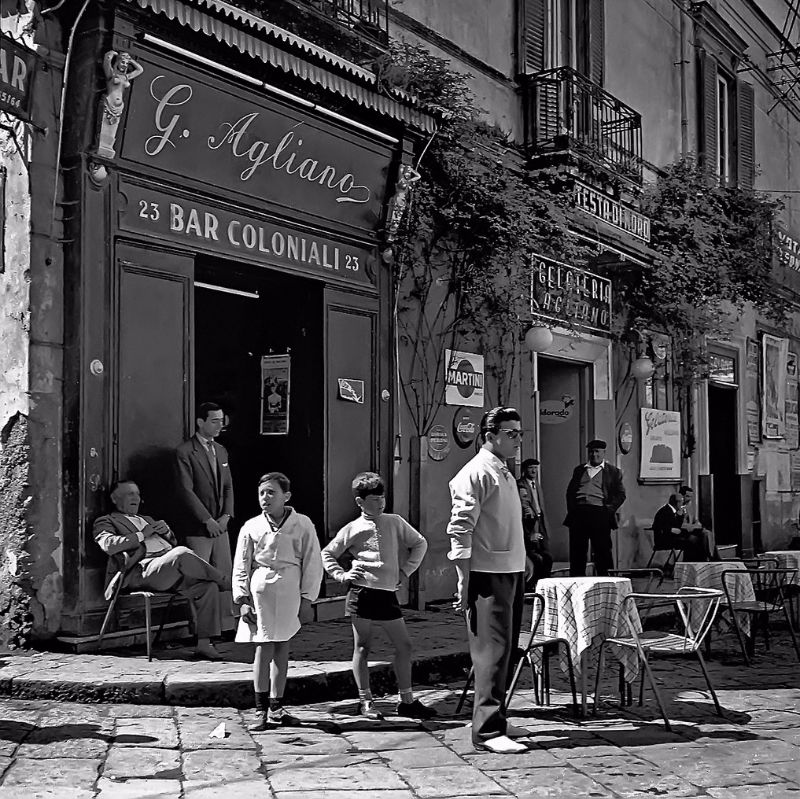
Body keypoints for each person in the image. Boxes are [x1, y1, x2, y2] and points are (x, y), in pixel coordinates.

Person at [447, 406, 533, 755]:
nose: (517, 440)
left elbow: (507, 521)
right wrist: (462, 579)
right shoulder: (477, 472)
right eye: (511, 433)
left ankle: (497, 716)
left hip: (509, 568)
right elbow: (460, 528)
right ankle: (485, 729)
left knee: (508, 648)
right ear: (490, 435)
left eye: (519, 433)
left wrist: (522, 555)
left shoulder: (505, 472)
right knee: (491, 651)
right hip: (487, 573)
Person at [322, 472, 435, 721]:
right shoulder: (353, 528)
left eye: (382, 497)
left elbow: (420, 543)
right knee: (362, 646)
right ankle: (366, 700)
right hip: (361, 592)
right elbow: (328, 553)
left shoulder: (394, 522)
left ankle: (406, 700)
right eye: (374, 499)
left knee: (404, 645)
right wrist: (342, 575)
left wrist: (405, 571)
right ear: (360, 502)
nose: (380, 503)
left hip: (387, 594)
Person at [93, 480, 230, 660]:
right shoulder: (106, 521)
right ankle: (228, 583)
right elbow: (109, 545)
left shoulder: (147, 519)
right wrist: (142, 534)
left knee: (208, 588)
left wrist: (166, 533)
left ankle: (204, 644)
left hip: (166, 569)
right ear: (115, 498)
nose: (136, 498)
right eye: (129, 494)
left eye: (137, 494)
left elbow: (170, 543)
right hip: (141, 571)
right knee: (181, 553)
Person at [232, 472, 323, 730]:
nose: (265, 498)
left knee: (282, 645)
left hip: (290, 588)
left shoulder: (302, 524)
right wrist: (242, 598)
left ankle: (276, 704)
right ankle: (259, 707)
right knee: (263, 644)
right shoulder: (251, 526)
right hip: (261, 590)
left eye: (272, 492)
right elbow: (241, 563)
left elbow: (313, 561)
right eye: (262, 493)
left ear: (286, 496)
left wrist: (308, 598)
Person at [175, 402, 235, 630]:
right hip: (198, 527)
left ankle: (227, 626)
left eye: (222, 420)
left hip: (220, 526)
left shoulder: (221, 450)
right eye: (214, 421)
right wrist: (206, 520)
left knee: (224, 573)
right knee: (199, 577)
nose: (220, 425)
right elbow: (185, 490)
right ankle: (202, 630)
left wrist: (226, 516)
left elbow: (228, 486)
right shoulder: (184, 452)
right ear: (200, 422)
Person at [565, 439, 626, 577]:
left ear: (604, 453)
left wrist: (608, 510)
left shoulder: (613, 472)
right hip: (580, 513)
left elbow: (621, 494)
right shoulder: (580, 470)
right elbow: (570, 492)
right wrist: (573, 510)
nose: (594, 455)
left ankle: (606, 581)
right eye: (591, 452)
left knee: (602, 550)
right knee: (577, 550)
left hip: (600, 512)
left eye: (597, 451)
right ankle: (577, 580)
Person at [517, 458, 553, 587]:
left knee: (546, 553)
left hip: (540, 520)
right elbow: (524, 503)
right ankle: (532, 585)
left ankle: (544, 584)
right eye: (530, 468)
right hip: (529, 523)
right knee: (535, 556)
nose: (533, 471)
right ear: (524, 470)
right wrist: (529, 514)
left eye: (535, 468)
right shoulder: (521, 485)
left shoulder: (536, 484)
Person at [652, 488, 713, 562]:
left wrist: (680, 516)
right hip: (665, 540)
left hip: (674, 536)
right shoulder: (665, 511)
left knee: (701, 536)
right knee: (692, 540)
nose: (682, 504)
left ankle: (703, 560)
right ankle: (691, 562)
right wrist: (671, 529)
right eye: (681, 502)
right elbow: (659, 526)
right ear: (676, 503)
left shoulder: (675, 510)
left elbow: (677, 525)